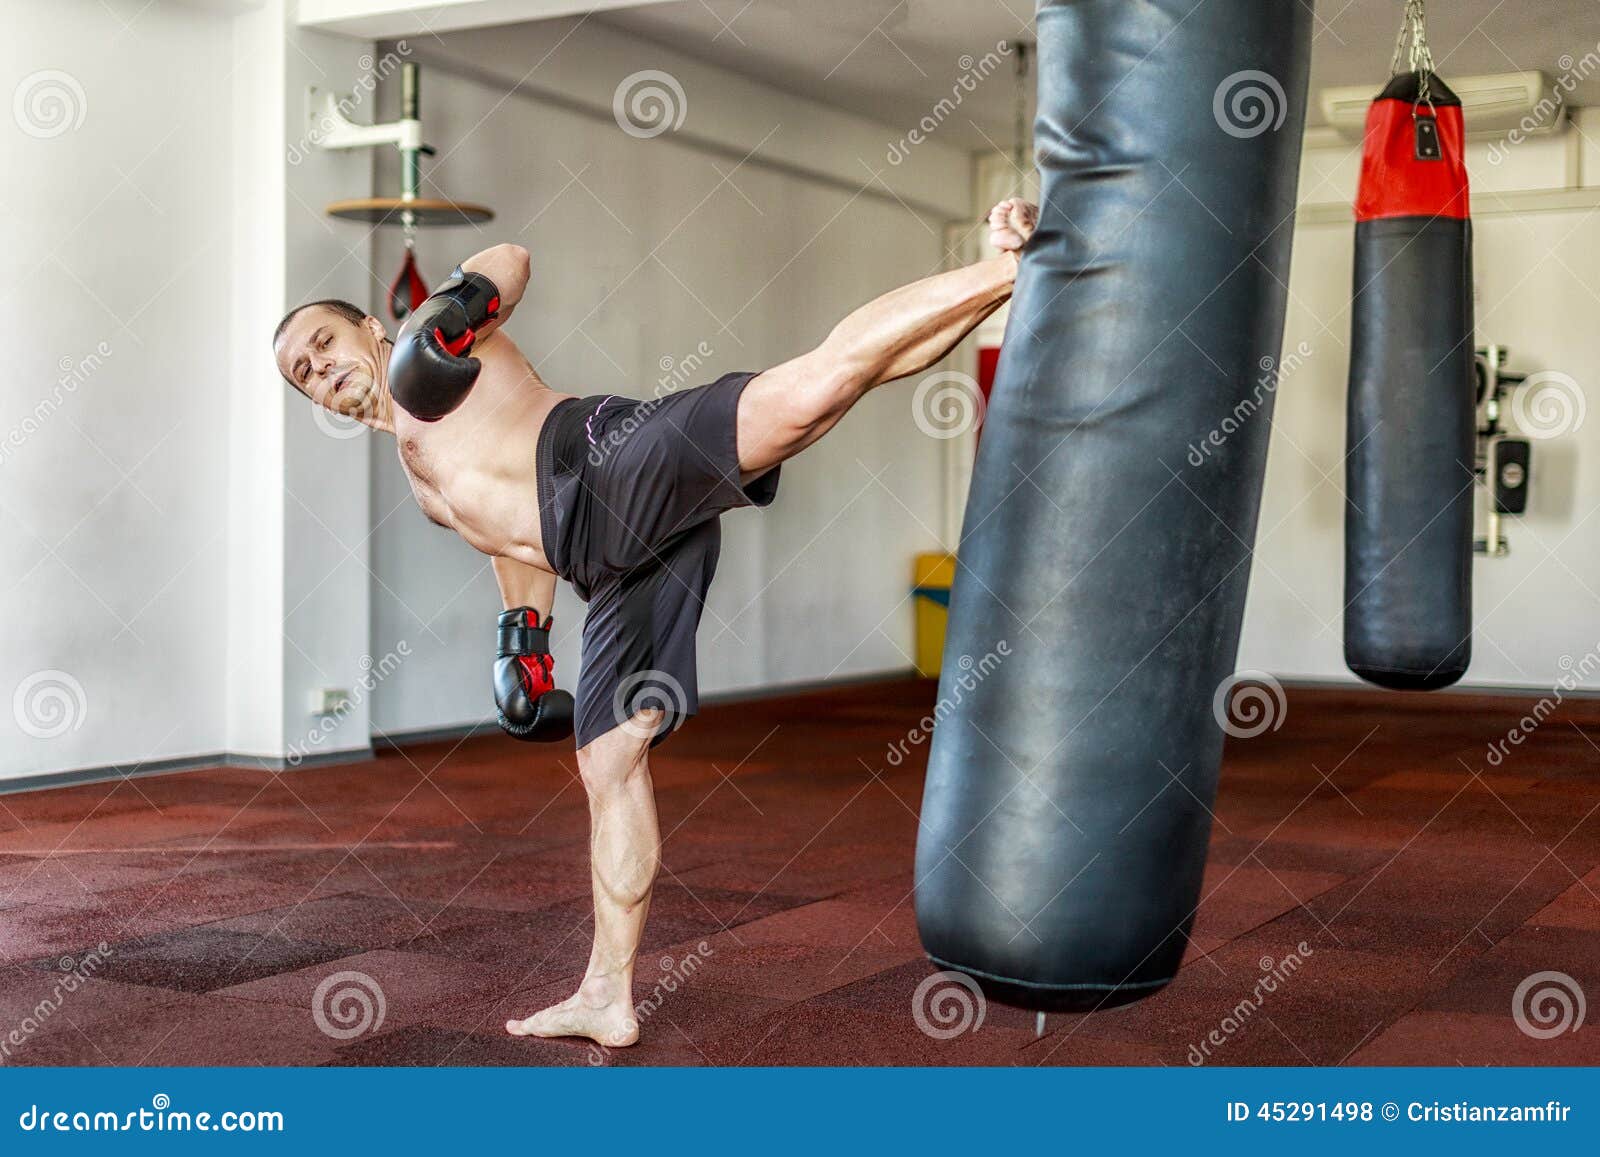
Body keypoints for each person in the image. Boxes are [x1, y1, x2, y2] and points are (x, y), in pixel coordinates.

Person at [272, 197, 1039, 1047]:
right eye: (302, 373)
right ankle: (608, 992)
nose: (319, 369)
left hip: (603, 454)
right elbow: (514, 538)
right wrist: (522, 641)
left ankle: (1009, 270)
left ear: (371, 330)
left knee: (811, 395)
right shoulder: (420, 481)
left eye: (323, 345)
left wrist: (457, 309)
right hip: (605, 557)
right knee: (608, 758)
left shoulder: (430, 343)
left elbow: (513, 254)